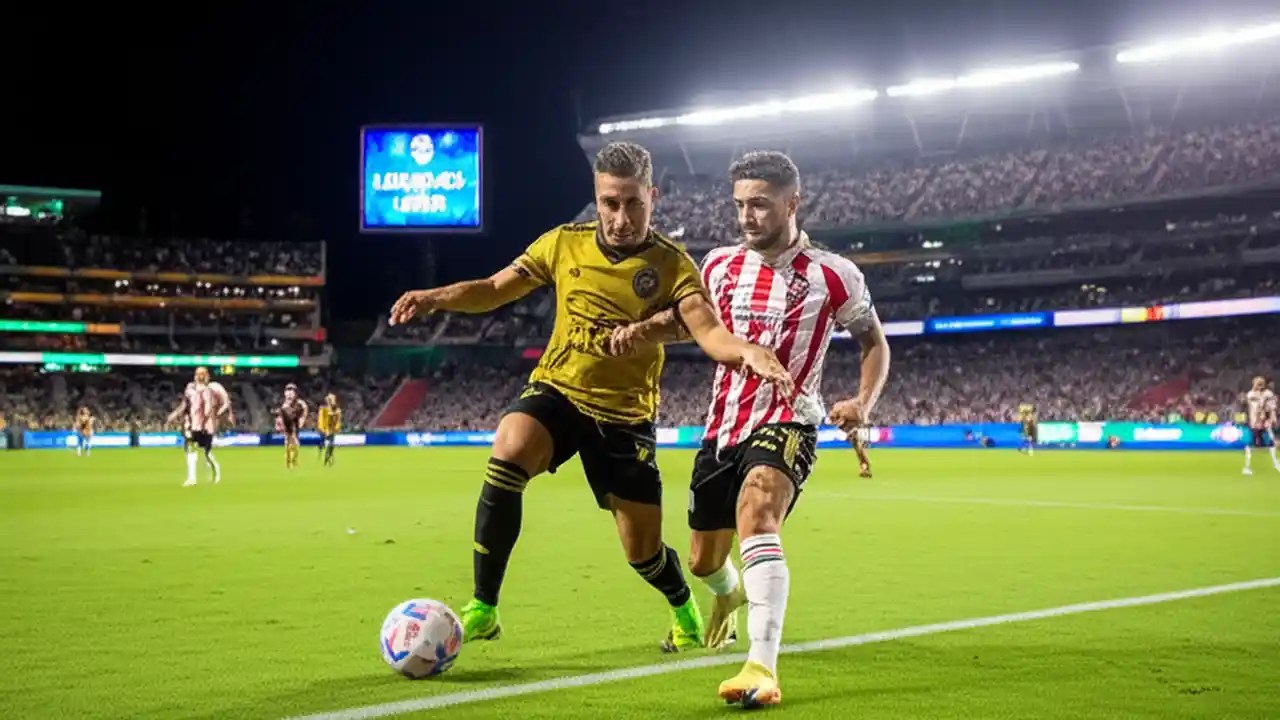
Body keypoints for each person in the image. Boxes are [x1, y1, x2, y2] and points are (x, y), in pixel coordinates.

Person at [388, 141, 793, 652]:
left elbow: (706, 330)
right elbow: (494, 289)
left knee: (641, 551)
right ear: (596, 198)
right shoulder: (563, 243)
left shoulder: (673, 265)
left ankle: (682, 605)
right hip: (559, 390)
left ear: (653, 195)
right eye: (609, 202)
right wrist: (433, 297)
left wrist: (744, 350)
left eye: (633, 203)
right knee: (509, 445)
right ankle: (484, 607)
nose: (621, 217)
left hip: (625, 419)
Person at [612, 151, 890, 706]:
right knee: (703, 561)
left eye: (759, 204)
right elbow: (687, 322)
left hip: (789, 420)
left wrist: (862, 400)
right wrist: (642, 330)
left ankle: (762, 667)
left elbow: (873, 342)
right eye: (740, 204)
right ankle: (731, 594)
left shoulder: (834, 275)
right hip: (721, 430)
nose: (746, 216)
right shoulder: (715, 265)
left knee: (758, 511)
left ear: (793, 202)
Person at [167, 367, 232, 486]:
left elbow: (209, 409)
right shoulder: (190, 389)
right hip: (192, 425)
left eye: (201, 374)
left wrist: (207, 422)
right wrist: (174, 414)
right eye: (197, 374)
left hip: (206, 427)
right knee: (190, 448)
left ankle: (216, 470)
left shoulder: (209, 391)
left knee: (207, 453)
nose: (198, 376)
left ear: (206, 375)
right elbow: (184, 404)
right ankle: (192, 478)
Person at [1243, 376, 1278, 475]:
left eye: (1261, 383)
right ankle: (1247, 466)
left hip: (1265, 423)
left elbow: (1272, 407)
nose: (1259, 386)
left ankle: (1275, 463)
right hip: (1255, 423)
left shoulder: (1268, 394)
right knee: (1251, 444)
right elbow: (1257, 407)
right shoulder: (1251, 394)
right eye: (1258, 383)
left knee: (1271, 443)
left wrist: (1272, 418)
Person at [277, 383, 309, 469]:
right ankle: (289, 461)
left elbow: (305, 408)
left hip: (295, 425)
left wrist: (302, 418)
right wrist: (280, 424)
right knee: (289, 443)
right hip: (289, 426)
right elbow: (283, 416)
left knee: (294, 444)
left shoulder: (299, 403)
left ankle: (293, 460)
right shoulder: (285, 405)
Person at [317, 393, 342, 467]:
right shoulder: (323, 409)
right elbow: (321, 420)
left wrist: (336, 428)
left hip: (332, 430)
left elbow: (338, 421)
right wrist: (323, 429)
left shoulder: (337, 410)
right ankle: (321, 449)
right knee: (323, 442)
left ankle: (328, 457)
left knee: (331, 444)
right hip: (324, 429)